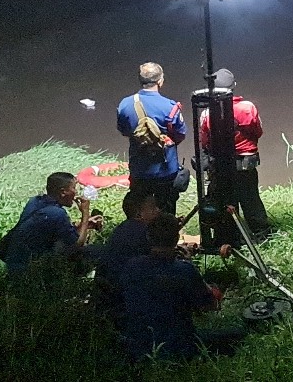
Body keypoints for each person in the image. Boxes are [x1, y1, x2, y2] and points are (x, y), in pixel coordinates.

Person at [120, 213, 243, 361]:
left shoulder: (131, 266)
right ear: (176, 239)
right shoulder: (184, 271)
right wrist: (189, 265)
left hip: (138, 347)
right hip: (179, 348)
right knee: (238, 334)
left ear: (148, 237)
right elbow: (211, 305)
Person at [198, 69, 271, 241]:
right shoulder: (248, 107)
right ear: (234, 86)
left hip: (221, 164)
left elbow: (205, 142)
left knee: (224, 198)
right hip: (246, 162)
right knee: (251, 197)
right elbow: (258, 132)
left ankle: (228, 236)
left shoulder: (207, 113)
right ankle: (261, 234)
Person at [116, 63, 189, 215]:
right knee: (165, 213)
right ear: (160, 81)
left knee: (139, 211)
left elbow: (124, 131)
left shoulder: (125, 104)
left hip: (139, 169)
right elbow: (180, 135)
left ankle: (140, 236)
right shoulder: (170, 106)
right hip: (165, 170)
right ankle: (165, 237)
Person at [1, 171, 102, 282]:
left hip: (13, 264)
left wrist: (84, 225)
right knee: (97, 251)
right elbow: (77, 244)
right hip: (30, 273)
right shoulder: (57, 213)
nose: (76, 192)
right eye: (74, 188)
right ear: (63, 192)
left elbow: (55, 231)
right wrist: (85, 213)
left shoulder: (34, 202)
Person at [93, 190, 159, 313]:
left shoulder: (123, 228)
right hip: (123, 294)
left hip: (108, 290)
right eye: (153, 208)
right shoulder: (144, 232)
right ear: (139, 214)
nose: (158, 211)